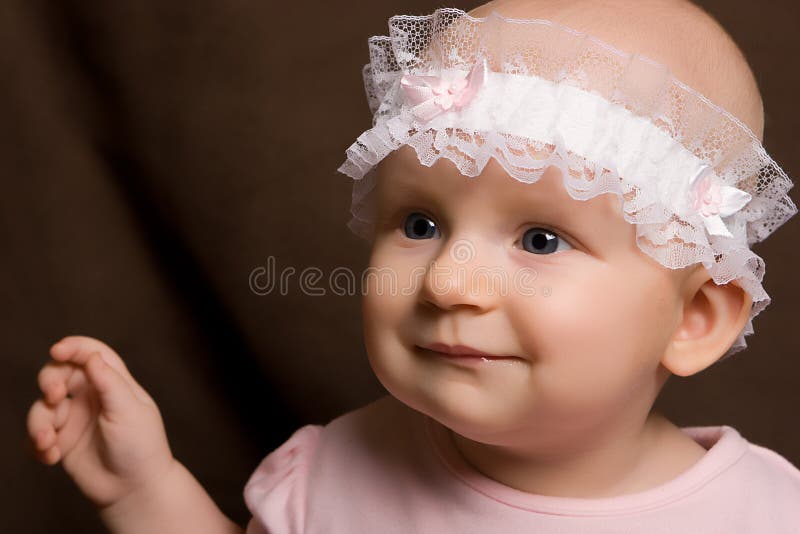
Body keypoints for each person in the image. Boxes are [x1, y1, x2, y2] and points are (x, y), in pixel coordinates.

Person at [26, 1, 800, 532]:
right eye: (421, 223)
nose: (446, 282)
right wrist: (144, 492)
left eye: (540, 240)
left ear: (695, 319)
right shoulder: (332, 476)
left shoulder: (763, 515)